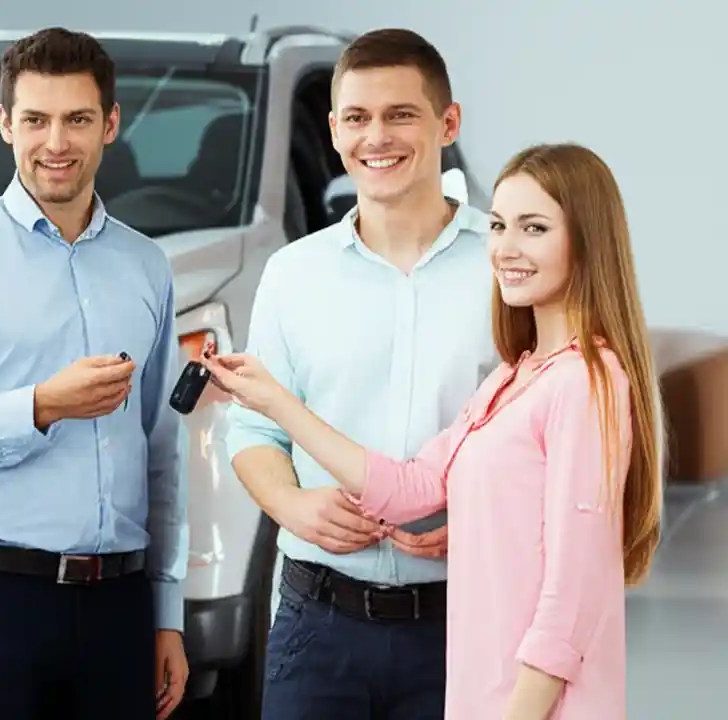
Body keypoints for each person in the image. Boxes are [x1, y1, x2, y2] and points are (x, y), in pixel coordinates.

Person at [204, 142, 663, 719]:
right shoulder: (515, 376)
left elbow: (572, 600)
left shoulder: (585, 383)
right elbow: (411, 487)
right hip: (482, 691)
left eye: (535, 228)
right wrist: (275, 402)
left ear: (587, 241)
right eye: (498, 225)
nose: (506, 248)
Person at [0, 27, 189, 720]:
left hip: (118, 602)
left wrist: (165, 611)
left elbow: (162, 453)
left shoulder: (146, 266)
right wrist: (39, 407)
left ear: (110, 124)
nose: (56, 142)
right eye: (36, 120)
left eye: (78, 119)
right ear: (5, 124)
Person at [222, 28, 495, 718]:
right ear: (336, 131)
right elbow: (253, 429)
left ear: (448, 123)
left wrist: (491, 519)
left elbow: (543, 442)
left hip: (464, 623)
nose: (378, 136)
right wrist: (291, 506)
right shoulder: (293, 275)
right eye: (357, 118)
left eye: (401, 114)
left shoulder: (505, 268)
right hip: (318, 627)